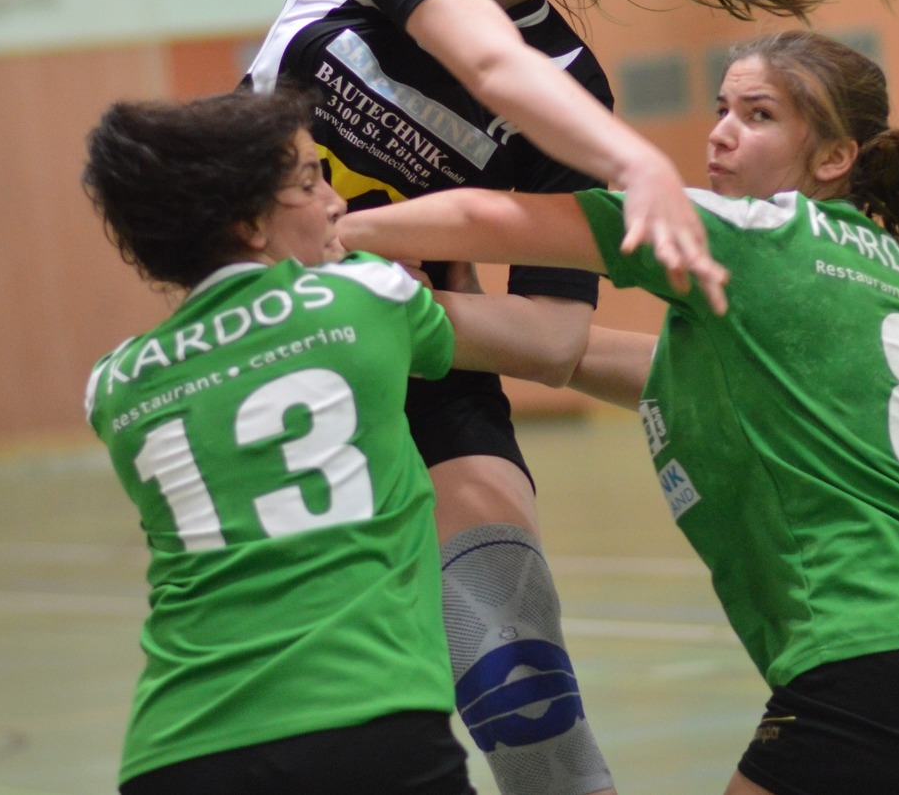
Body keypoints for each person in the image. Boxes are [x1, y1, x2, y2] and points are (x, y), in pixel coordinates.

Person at [244, 0, 899, 795]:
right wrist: (636, 160)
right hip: (259, 313)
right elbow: (486, 64)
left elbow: (552, 340)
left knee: (520, 681)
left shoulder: (572, 87)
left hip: (413, 324)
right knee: (317, 691)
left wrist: (387, 290)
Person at [340, 31, 899, 795]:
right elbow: (653, 371)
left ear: (833, 157)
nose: (720, 131)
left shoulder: (753, 230)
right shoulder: (892, 273)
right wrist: (434, 318)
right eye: (723, 108)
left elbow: (496, 219)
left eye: (758, 116)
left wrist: (334, 240)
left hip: (878, 663)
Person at [78, 88, 591, 795]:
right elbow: (533, 343)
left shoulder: (114, 384)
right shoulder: (369, 297)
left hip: (174, 749)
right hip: (364, 717)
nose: (335, 203)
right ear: (249, 225)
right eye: (308, 181)